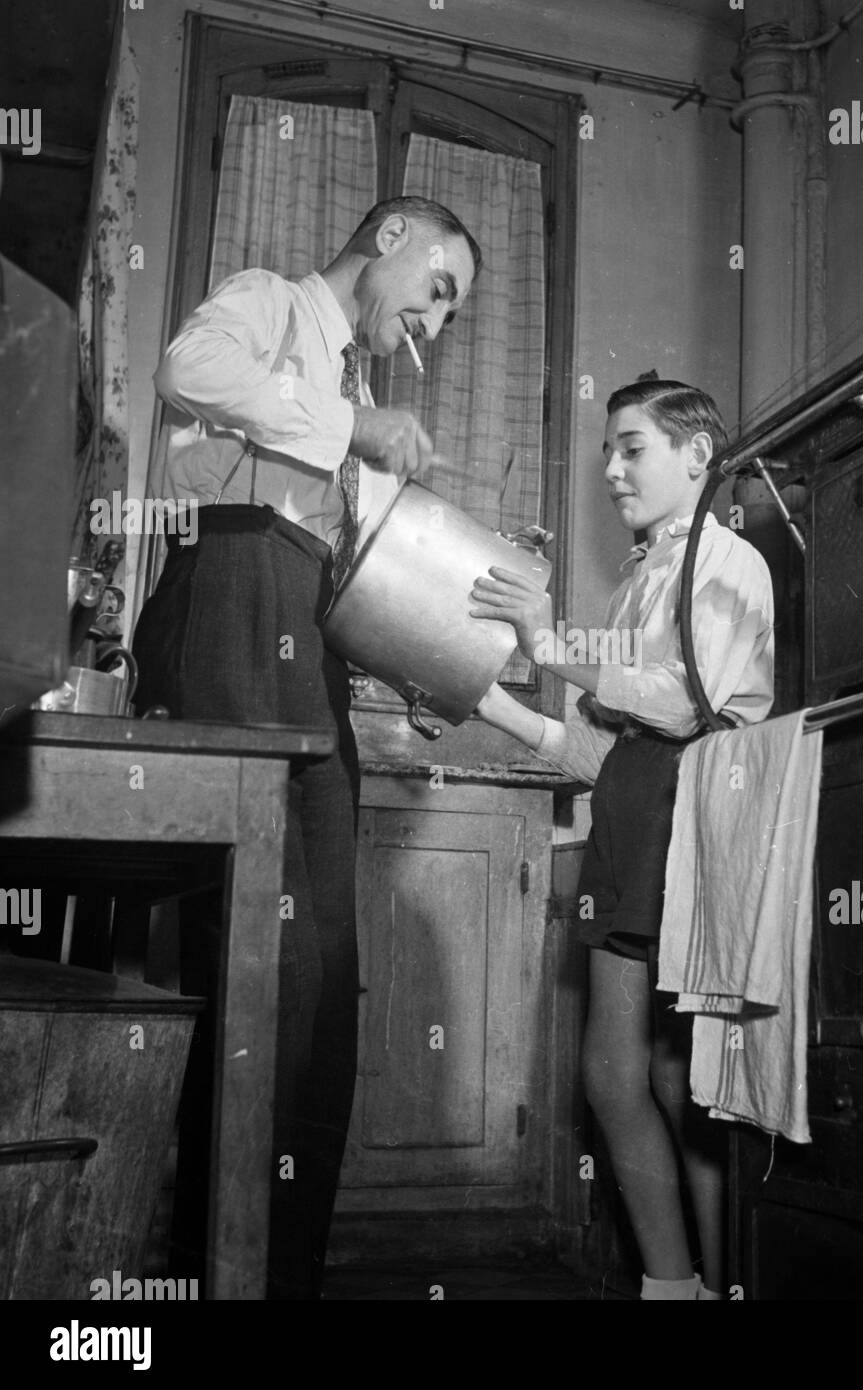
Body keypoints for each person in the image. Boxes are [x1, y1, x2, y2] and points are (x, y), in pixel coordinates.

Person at [132, 195, 481, 1299]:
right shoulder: (269, 304)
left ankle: (282, 1268)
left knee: (325, 969)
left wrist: (437, 663)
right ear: (390, 240)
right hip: (230, 594)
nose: (434, 319)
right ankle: (214, 1264)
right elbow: (186, 367)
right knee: (253, 953)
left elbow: (356, 586)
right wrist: (352, 433)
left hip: (306, 640)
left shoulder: (359, 394)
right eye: (438, 287)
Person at [470, 377, 774, 1300]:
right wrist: (484, 701)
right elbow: (600, 750)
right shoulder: (636, 579)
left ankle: (722, 1286)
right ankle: (669, 1285)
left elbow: (686, 702)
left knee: (687, 1089)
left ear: (697, 456)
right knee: (610, 1075)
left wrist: (550, 641)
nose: (610, 469)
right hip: (632, 812)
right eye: (608, 450)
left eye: (630, 447)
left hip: (695, 816)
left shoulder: (729, 563)